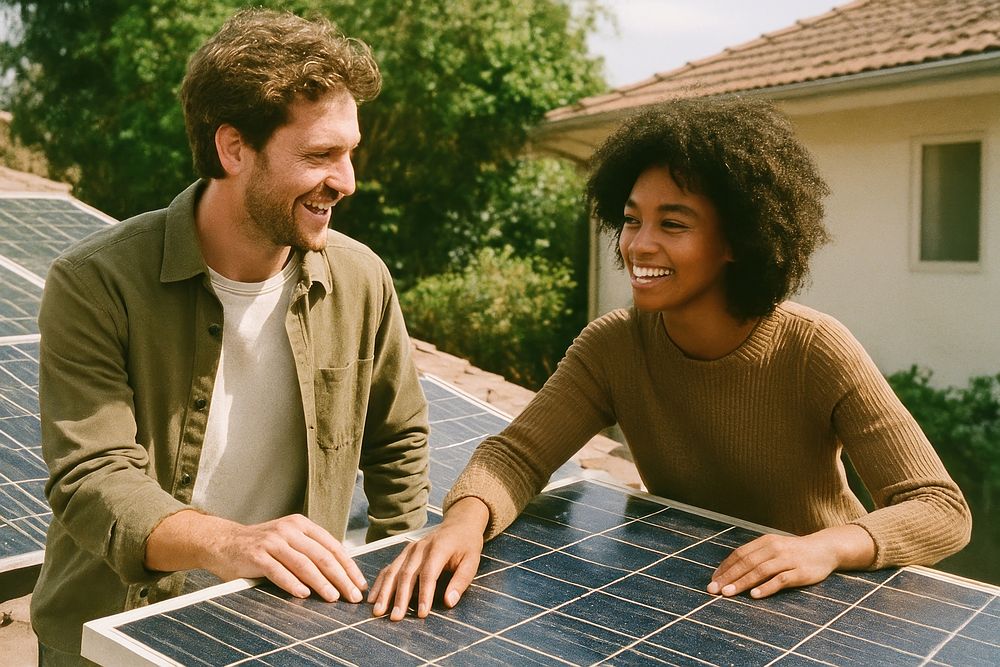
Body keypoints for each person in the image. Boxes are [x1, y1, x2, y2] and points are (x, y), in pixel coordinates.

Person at [368, 95, 971, 621]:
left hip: (822, 602)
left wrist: (827, 547)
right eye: (631, 220)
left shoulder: (815, 347)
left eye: (673, 223)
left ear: (737, 240)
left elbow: (940, 509)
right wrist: (464, 522)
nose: (639, 244)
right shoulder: (613, 346)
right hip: (690, 591)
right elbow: (516, 456)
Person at [31, 9, 430, 663]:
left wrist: (391, 594)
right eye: (321, 154)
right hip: (106, 640)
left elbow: (400, 443)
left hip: (281, 636)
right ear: (234, 148)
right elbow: (92, 475)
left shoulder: (363, 281)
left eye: (350, 151)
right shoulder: (95, 281)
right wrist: (232, 542)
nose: (348, 179)